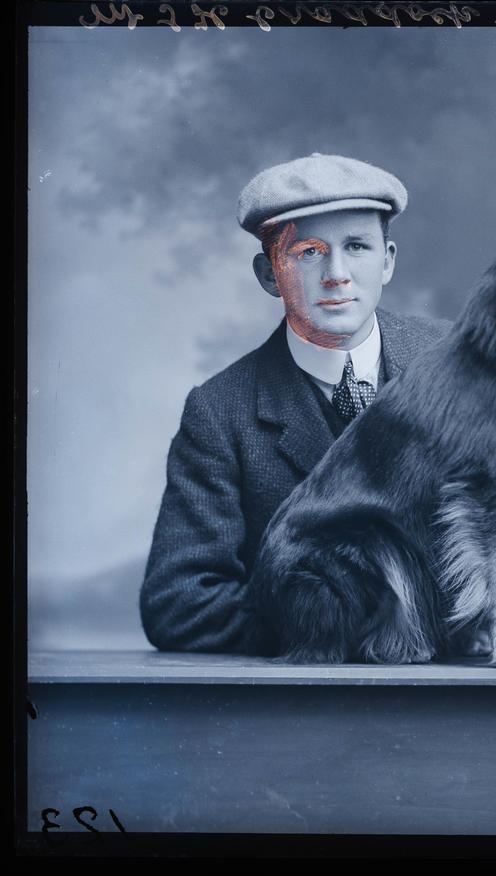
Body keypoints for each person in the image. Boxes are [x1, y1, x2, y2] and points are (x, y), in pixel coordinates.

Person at [139, 153, 451, 654]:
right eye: (308, 252)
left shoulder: (458, 360)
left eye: (357, 246)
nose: (336, 274)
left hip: (459, 697)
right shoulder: (221, 411)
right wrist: (340, 621)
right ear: (268, 274)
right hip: (305, 702)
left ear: (388, 260)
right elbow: (180, 604)